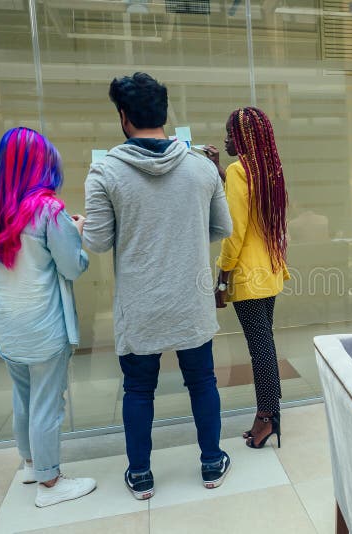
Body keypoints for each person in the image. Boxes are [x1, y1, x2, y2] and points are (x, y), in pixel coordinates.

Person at [83, 72, 233, 499]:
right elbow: (223, 227)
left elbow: (97, 241)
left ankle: (141, 475)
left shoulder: (105, 172)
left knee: (138, 389)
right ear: (164, 114)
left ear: (123, 116)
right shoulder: (201, 167)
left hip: (140, 305)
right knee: (202, 382)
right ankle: (211, 463)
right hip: (190, 300)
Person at [0, 127, 96, 507]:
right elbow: (72, 267)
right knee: (47, 404)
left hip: (7, 323)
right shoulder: (48, 210)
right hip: (43, 325)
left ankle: (30, 464)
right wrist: (75, 232)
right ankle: (50, 483)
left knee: (24, 396)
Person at [204, 107, 290, 449]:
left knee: (260, 350)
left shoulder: (242, 171)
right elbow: (250, 203)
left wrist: (222, 277)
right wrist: (220, 170)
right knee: (265, 345)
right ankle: (271, 413)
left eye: (230, 134)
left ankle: (267, 418)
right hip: (268, 271)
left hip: (248, 276)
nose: (226, 139)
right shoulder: (267, 170)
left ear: (243, 137)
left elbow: (234, 231)